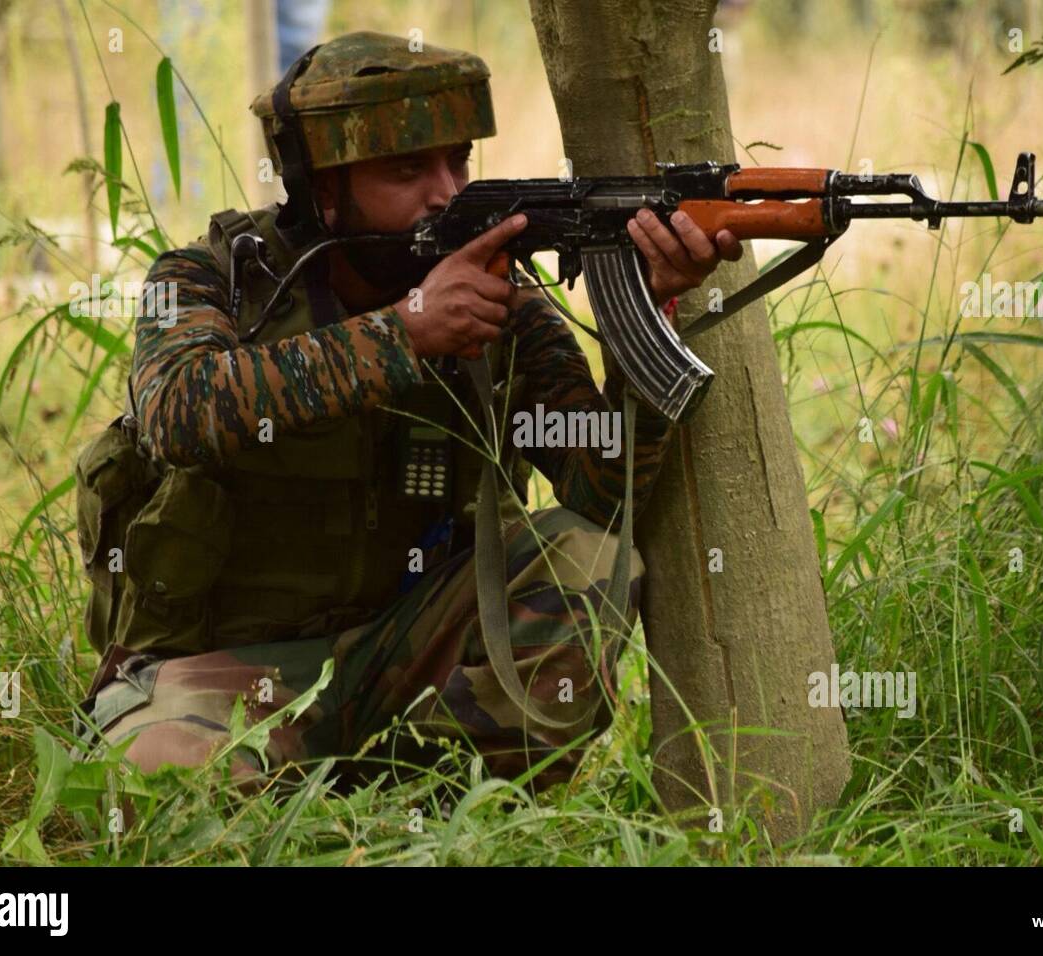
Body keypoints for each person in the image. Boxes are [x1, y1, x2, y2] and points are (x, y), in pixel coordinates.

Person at [72, 31, 742, 793]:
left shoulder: (498, 306)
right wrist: (404, 334)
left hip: (405, 657)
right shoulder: (212, 278)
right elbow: (178, 411)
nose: (446, 193)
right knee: (163, 776)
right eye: (407, 169)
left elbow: (599, 495)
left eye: (459, 161)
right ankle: (293, 789)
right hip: (218, 670)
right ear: (321, 185)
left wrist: (648, 317)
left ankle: (429, 799)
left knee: (582, 560)